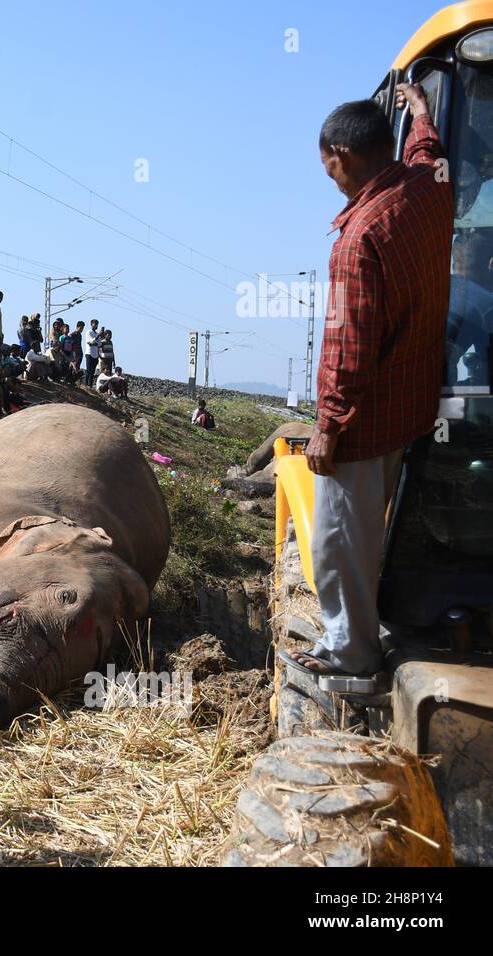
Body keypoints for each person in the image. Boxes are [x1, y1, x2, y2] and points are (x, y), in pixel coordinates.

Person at [282, 83, 454, 683]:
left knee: (336, 545)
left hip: (367, 419)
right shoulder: (430, 188)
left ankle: (352, 657)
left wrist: (328, 427)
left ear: (341, 154)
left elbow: (348, 351)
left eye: (325, 163)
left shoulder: (359, 241)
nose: (327, 174)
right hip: (412, 404)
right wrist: (425, 116)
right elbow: (428, 153)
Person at [83, 318, 101, 387]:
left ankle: (89, 385)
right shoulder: (89, 332)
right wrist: (97, 336)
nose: (96, 325)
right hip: (89, 353)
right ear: (91, 324)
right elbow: (90, 342)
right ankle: (85, 384)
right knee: (88, 369)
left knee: (92, 371)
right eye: (95, 324)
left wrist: (98, 337)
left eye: (97, 324)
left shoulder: (96, 334)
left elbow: (99, 344)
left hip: (95, 354)